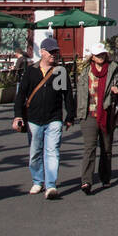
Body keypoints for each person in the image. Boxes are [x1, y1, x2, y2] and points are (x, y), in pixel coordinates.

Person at [14, 37, 76, 198]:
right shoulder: (31, 71)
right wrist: (18, 116)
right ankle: (37, 181)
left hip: (54, 117)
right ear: (42, 52)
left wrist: (70, 115)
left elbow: (67, 95)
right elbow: (21, 95)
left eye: (55, 52)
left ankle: (50, 185)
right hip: (33, 119)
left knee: (52, 151)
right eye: (50, 52)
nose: (54, 55)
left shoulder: (59, 71)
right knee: (35, 152)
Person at [77, 42, 118, 195]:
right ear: (92, 56)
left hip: (107, 112)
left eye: (103, 54)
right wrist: (77, 112)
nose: (101, 57)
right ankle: (86, 181)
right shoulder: (85, 71)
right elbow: (79, 92)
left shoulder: (114, 69)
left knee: (106, 149)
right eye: (98, 54)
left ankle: (105, 177)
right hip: (89, 114)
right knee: (89, 148)